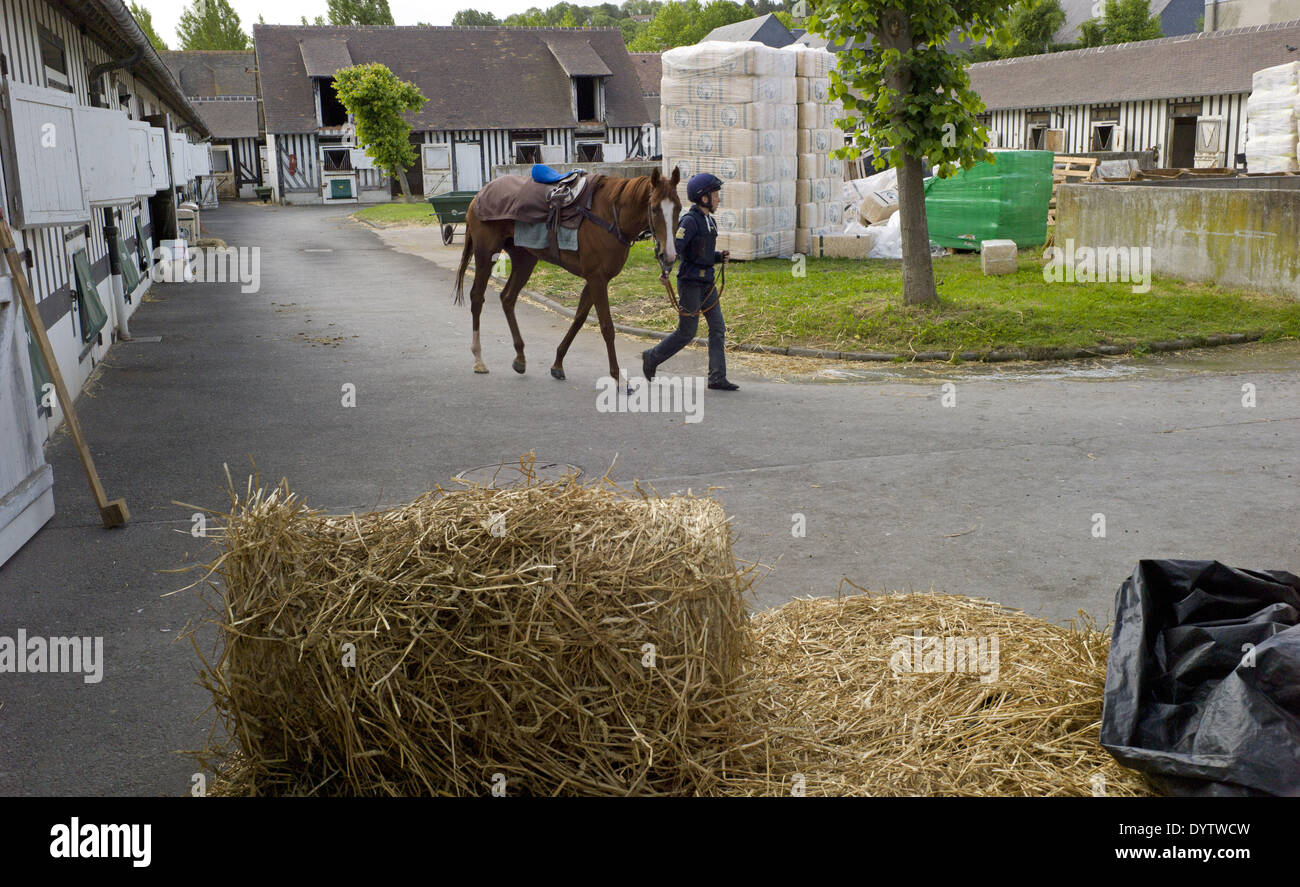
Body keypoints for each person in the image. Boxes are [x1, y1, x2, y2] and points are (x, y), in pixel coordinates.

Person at [642, 173, 739, 391]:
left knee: (718, 329)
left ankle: (716, 377)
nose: (718, 199)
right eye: (715, 195)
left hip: (707, 283)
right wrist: (666, 271)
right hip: (691, 284)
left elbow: (701, 253)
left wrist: (717, 257)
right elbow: (676, 250)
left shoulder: (709, 221)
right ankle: (651, 357)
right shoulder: (690, 221)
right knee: (687, 332)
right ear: (703, 197)